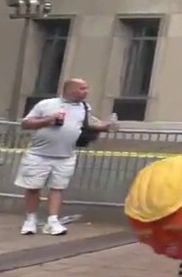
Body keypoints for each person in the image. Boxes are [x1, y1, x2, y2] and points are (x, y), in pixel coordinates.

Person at [15, 78, 116, 235]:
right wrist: (48, 120)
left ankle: (52, 221)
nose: (86, 92)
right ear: (69, 89)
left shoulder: (84, 107)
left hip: (65, 155)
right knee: (33, 187)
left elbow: (90, 124)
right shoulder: (46, 104)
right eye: (82, 88)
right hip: (39, 154)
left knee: (58, 188)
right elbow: (26, 123)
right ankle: (30, 219)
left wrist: (107, 126)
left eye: (86, 88)